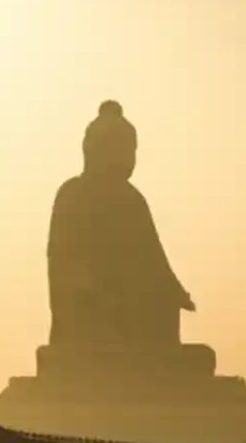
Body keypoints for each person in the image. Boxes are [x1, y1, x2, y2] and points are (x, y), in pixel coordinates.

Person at [47, 101, 194, 347]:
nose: (128, 157)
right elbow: (63, 259)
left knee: (162, 308)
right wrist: (91, 290)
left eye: (131, 149)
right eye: (121, 148)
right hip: (90, 303)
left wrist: (172, 289)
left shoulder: (131, 199)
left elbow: (153, 255)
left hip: (129, 301)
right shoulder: (73, 194)